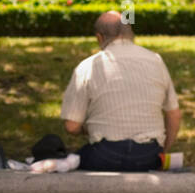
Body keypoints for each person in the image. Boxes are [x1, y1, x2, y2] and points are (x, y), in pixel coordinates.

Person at [59, 11, 182, 171]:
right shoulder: (156, 60)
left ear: (99, 38)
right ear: (130, 33)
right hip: (149, 155)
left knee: (66, 158)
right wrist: (162, 151)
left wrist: (89, 128)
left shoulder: (88, 66)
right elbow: (174, 115)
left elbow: (71, 126)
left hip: (104, 154)